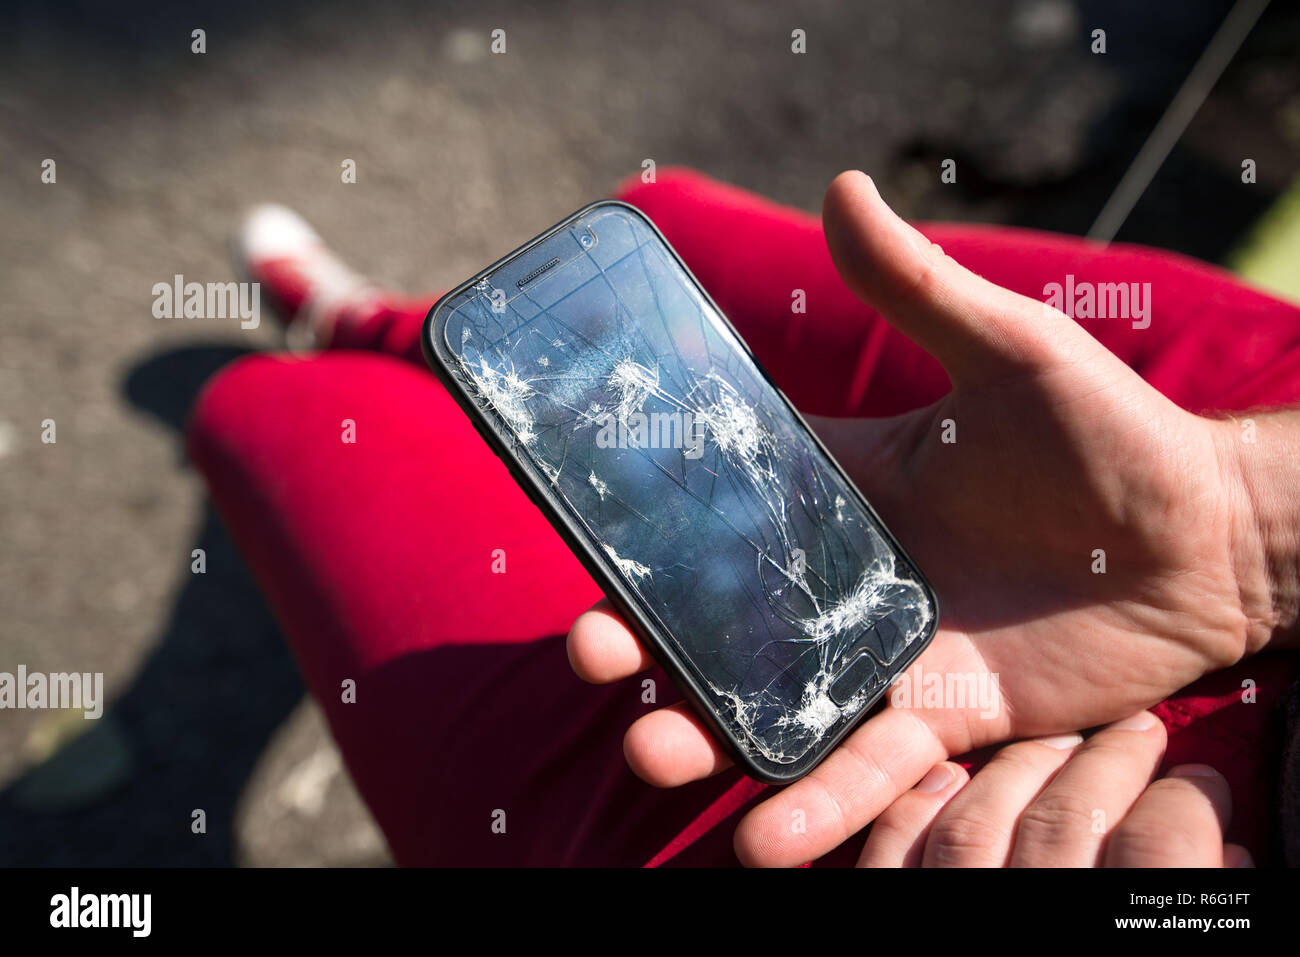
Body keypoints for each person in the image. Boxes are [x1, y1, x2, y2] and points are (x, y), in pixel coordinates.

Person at [189, 168, 1300, 866]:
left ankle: (371, 347)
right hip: (1256, 485)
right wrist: (1249, 535)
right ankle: (381, 324)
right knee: (657, 232)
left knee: (274, 414)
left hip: (1082, 825)